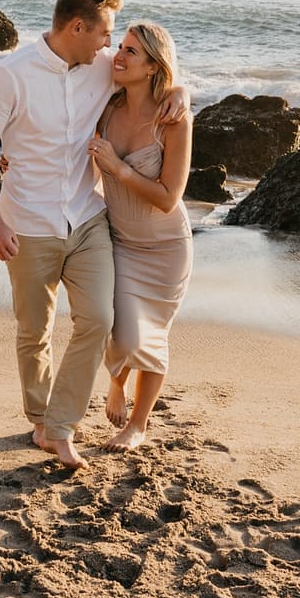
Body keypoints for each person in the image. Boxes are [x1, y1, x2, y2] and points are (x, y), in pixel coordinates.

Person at [0, 0, 187, 468]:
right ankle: (42, 421)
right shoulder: (10, 76)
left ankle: (61, 427)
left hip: (87, 218)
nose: (110, 46)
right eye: (104, 34)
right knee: (34, 330)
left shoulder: (102, 67)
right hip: (30, 224)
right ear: (78, 27)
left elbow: (156, 74)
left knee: (99, 321)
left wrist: (183, 93)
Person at [86, 23, 192, 452]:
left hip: (167, 248)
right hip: (121, 241)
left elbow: (169, 198)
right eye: (122, 47)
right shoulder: (106, 108)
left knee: (152, 336)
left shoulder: (174, 120)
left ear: (152, 67)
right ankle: (117, 383)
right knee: (123, 334)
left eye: (132, 52)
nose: (120, 56)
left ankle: (139, 425)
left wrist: (119, 169)